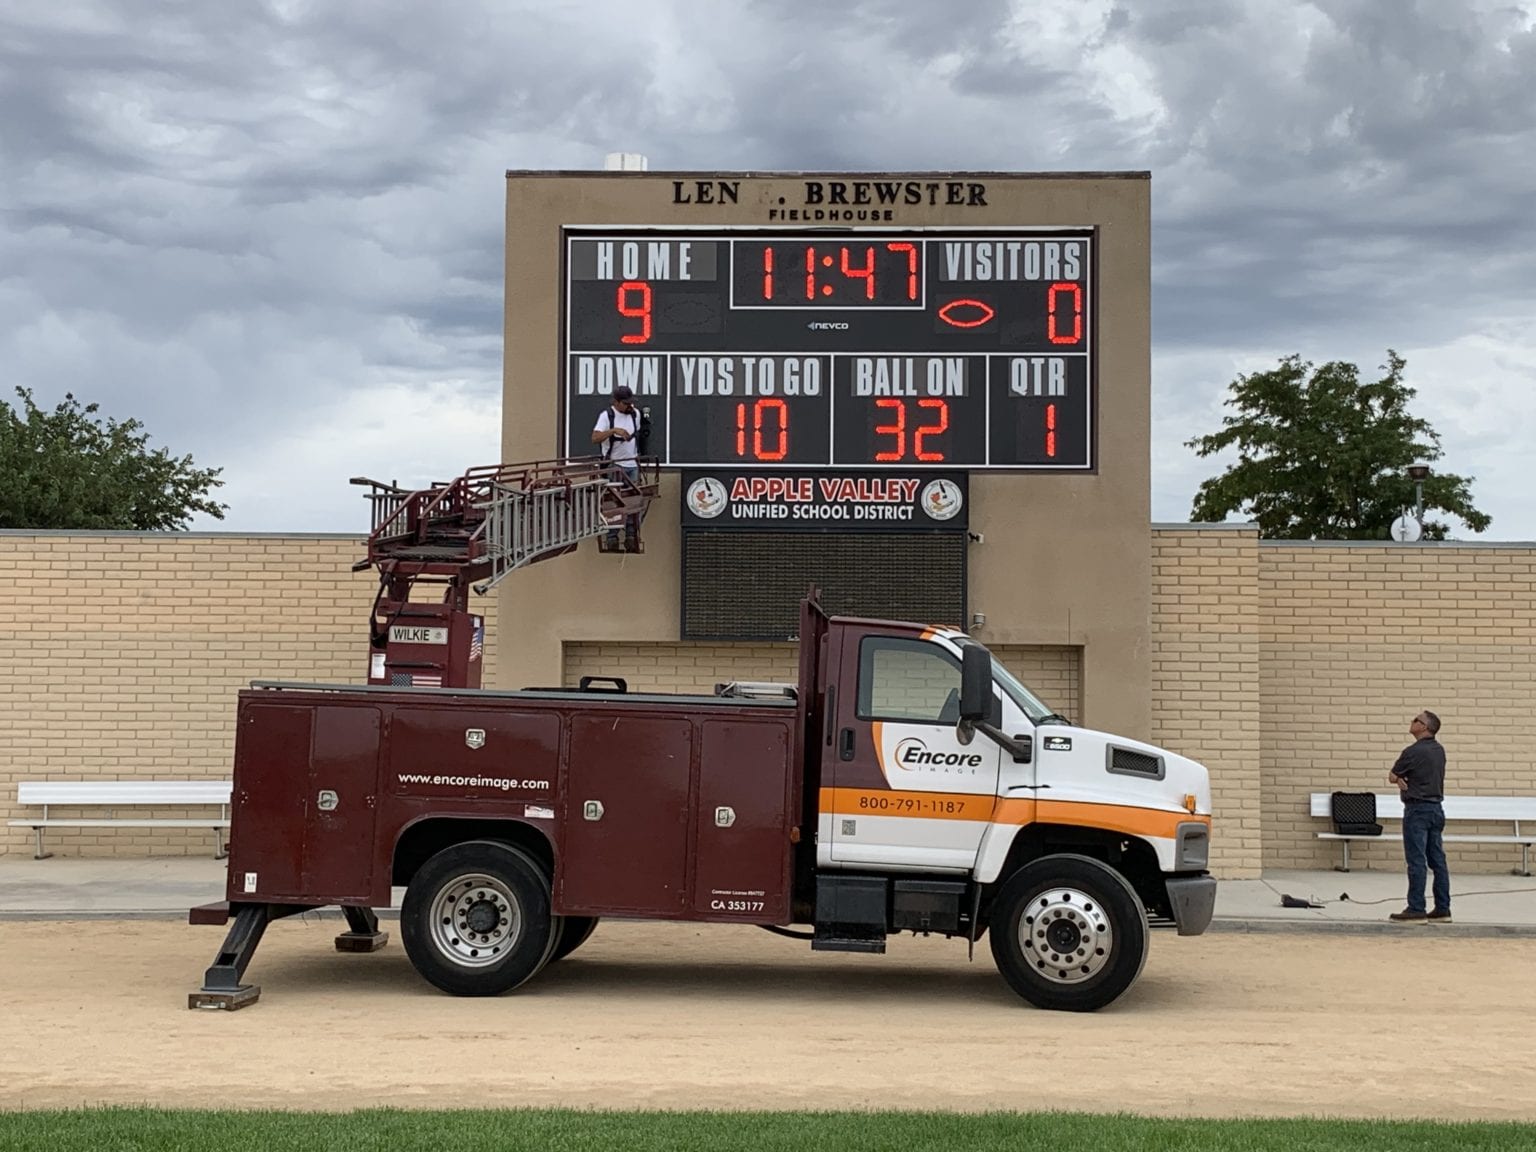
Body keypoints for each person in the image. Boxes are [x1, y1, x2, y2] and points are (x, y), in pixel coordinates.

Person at [1387, 709, 1451, 923]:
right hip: (1436, 809)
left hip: (1417, 810)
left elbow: (1392, 775)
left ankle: (1416, 908)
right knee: (1438, 860)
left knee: (1416, 860)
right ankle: (1443, 908)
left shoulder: (1412, 752)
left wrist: (1399, 780)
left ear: (1424, 727)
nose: (1412, 722)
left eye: (1417, 720)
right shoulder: (1439, 750)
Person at [591, 385, 642, 550]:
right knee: (614, 502)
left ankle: (631, 536)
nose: (629, 407)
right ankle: (612, 537)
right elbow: (595, 437)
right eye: (626, 404)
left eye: (630, 403)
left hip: (632, 465)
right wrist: (614, 431)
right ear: (617, 402)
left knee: (633, 503)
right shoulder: (607, 416)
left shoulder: (636, 414)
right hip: (614, 465)